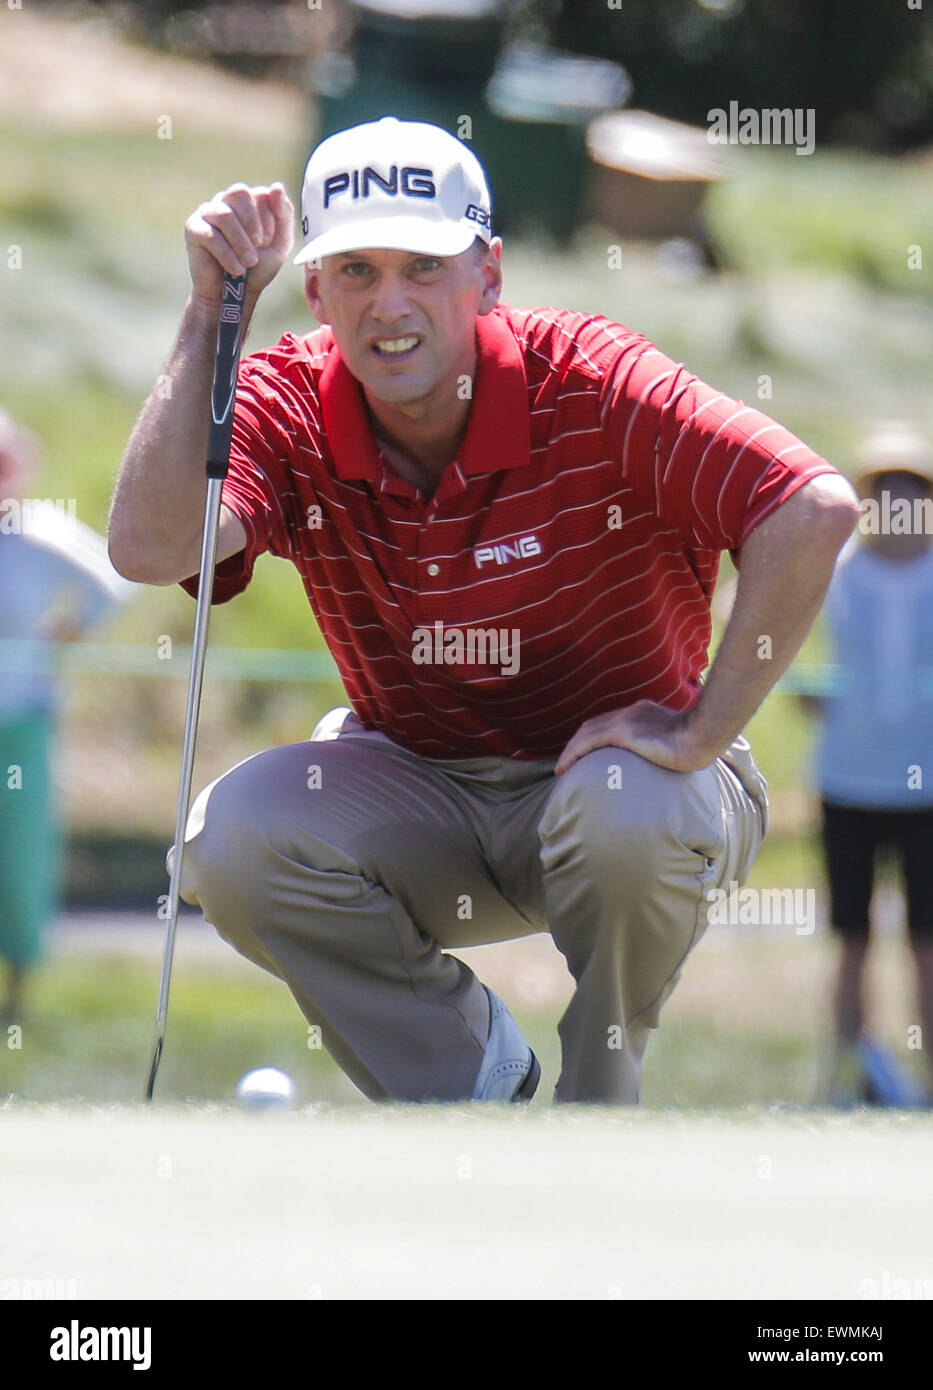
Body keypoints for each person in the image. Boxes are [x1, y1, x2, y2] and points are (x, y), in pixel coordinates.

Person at [108, 117, 858, 1103]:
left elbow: (810, 507)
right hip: (425, 793)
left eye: (425, 265)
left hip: (636, 793)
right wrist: (212, 317)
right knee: (232, 837)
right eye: (358, 271)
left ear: (489, 274)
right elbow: (152, 547)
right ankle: (471, 1087)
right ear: (316, 290)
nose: (391, 305)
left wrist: (700, 729)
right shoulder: (285, 401)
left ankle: (600, 1103)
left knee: (625, 805)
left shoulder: (592, 380)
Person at [800, 423, 933, 1107]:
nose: (899, 500)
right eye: (885, 488)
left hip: (926, 789)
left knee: (925, 943)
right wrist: (808, 687)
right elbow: (774, 639)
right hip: (847, 782)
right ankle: (846, 1078)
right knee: (850, 940)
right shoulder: (835, 570)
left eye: (911, 487)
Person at [0, 408, 134, 1024]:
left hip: (21, 720)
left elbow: (114, 580)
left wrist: (67, 634)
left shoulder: (39, 532)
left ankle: (18, 1000)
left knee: (20, 856)